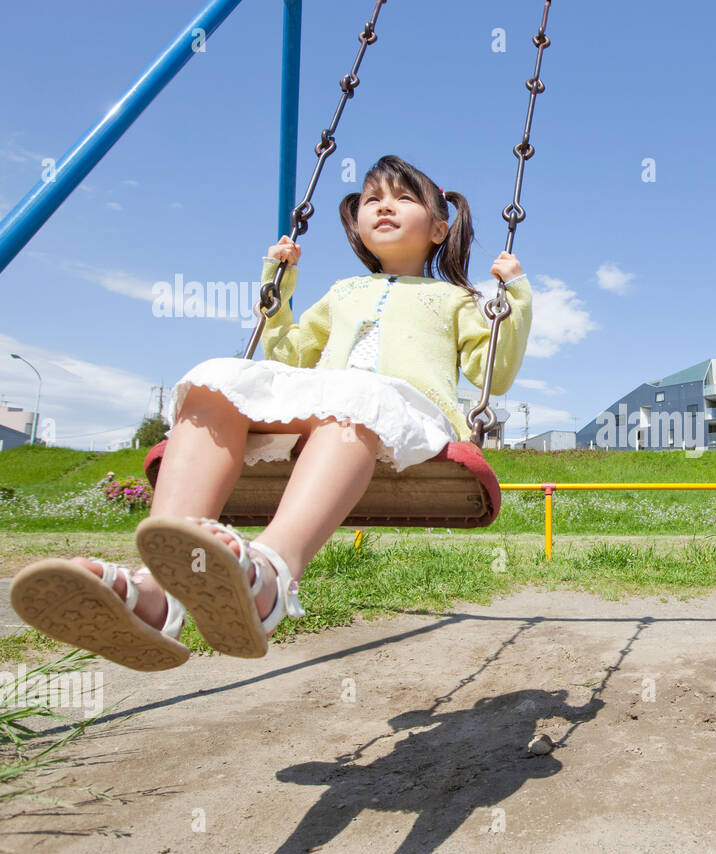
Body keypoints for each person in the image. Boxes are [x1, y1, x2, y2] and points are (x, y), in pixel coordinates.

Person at [11, 156, 531, 671]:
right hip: (327, 406)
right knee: (216, 381)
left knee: (356, 399)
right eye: (372, 198)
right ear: (358, 225)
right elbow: (288, 355)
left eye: (403, 197)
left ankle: (272, 573)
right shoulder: (342, 292)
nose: (383, 207)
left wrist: (516, 297)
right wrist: (276, 288)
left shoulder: (455, 298)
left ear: (440, 228)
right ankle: (157, 592)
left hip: (404, 417)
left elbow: (495, 372)